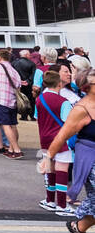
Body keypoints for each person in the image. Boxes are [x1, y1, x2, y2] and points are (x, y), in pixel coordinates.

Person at [43, 70, 94, 233]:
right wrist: (48, 158)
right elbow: (62, 136)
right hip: (89, 157)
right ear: (88, 88)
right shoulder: (81, 109)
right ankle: (78, 222)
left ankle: (78, 226)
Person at [36, 67, 78, 215]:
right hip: (60, 139)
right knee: (62, 170)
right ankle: (62, 205)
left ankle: (49, 200)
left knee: (50, 168)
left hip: (44, 137)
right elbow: (68, 122)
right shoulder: (63, 101)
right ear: (59, 84)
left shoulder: (39, 99)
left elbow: (37, 117)